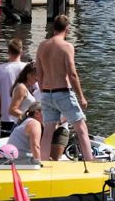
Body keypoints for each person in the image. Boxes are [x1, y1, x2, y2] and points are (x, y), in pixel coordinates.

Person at [36, 14, 94, 161]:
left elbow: (39, 73)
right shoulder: (67, 46)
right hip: (62, 92)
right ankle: (90, 160)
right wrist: (81, 97)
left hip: (47, 93)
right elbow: (72, 74)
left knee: (48, 131)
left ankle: (43, 162)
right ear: (67, 29)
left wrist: (43, 92)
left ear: (53, 28)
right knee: (81, 128)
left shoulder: (42, 46)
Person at [0, 39, 29, 135]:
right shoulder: (27, 68)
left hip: (7, 115)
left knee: (7, 146)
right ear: (21, 51)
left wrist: (1, 111)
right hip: (26, 115)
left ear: (8, 52)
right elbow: (36, 91)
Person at [6, 97, 45, 162]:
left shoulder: (26, 121)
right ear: (37, 113)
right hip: (19, 160)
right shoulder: (35, 123)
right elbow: (35, 146)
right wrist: (39, 164)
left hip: (11, 158)